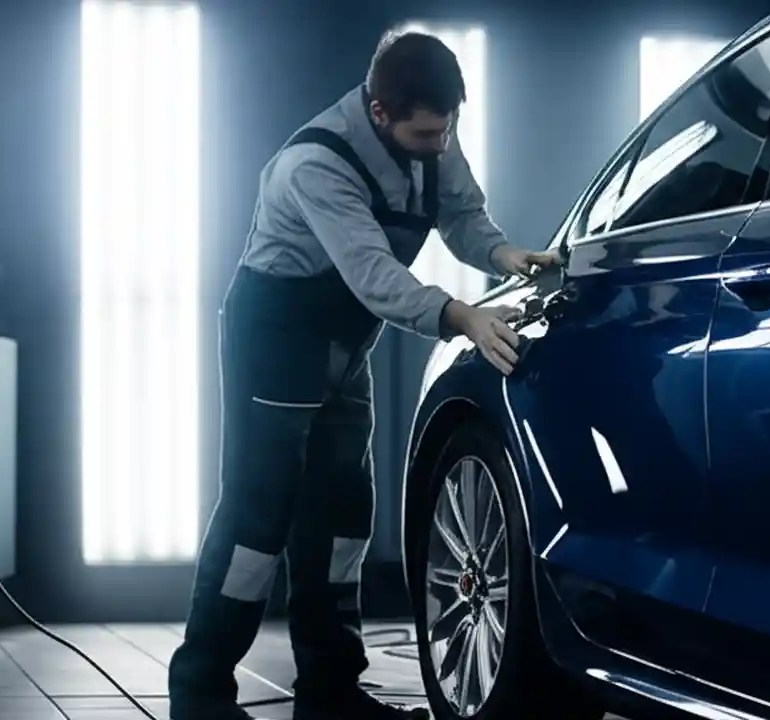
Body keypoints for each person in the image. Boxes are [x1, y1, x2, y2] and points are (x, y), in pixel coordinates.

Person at [167, 30, 559, 720]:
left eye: (448, 129)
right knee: (260, 516)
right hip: (278, 338)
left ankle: (329, 693)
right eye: (427, 132)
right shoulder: (314, 165)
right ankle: (200, 693)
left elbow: (462, 215)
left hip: (344, 344)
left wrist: (505, 254)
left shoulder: (434, 130)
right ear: (381, 113)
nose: (442, 144)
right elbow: (374, 275)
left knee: (344, 512)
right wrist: (462, 317)